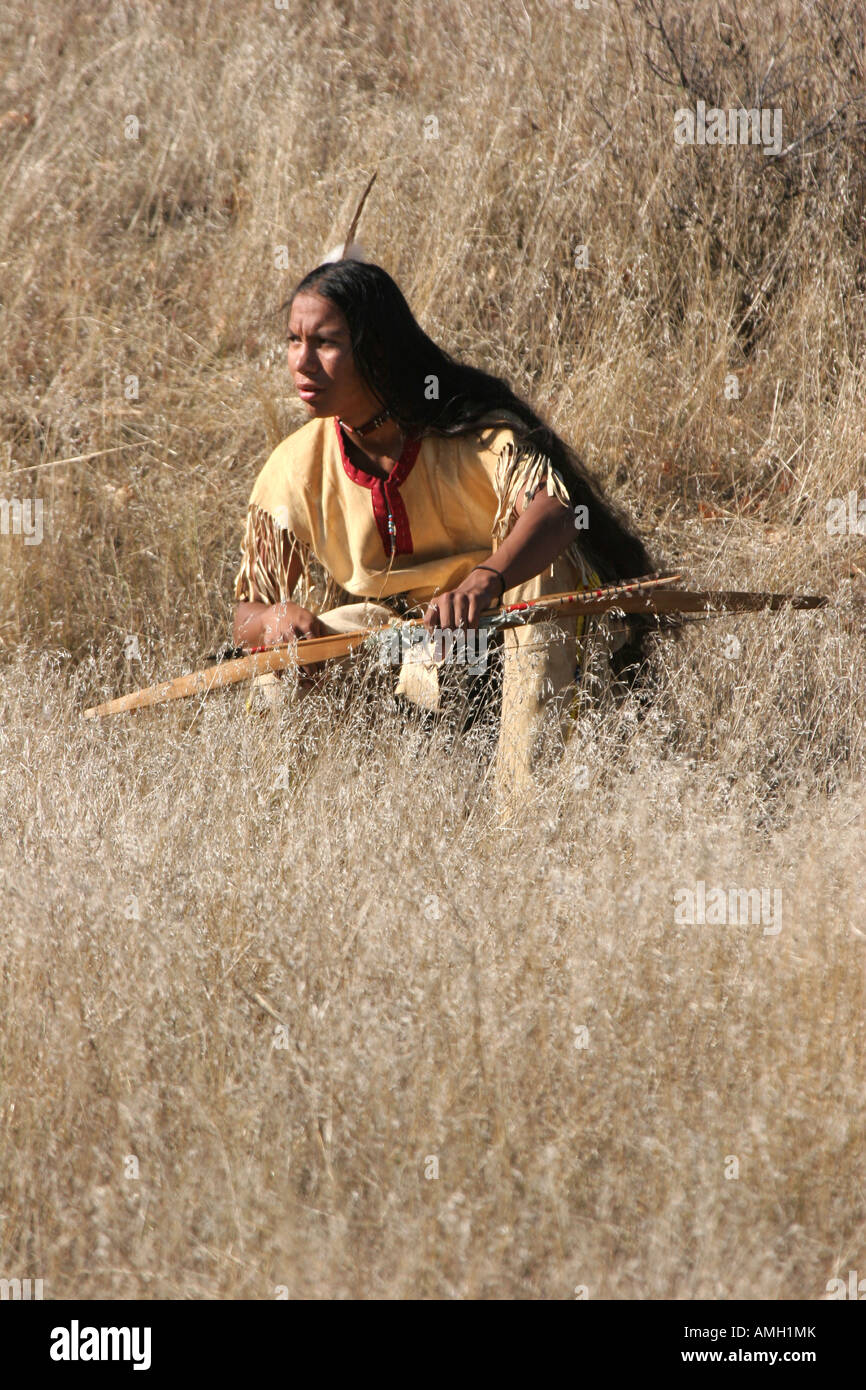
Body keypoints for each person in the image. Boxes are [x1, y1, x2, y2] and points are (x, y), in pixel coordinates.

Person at [233, 259, 655, 792]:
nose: (302, 362)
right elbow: (244, 614)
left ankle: (522, 820)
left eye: (326, 342)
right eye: (294, 340)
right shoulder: (293, 467)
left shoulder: (465, 427)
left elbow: (562, 511)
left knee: (542, 576)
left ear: (377, 349)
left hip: (505, 614)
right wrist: (275, 621)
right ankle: (284, 838)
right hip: (401, 633)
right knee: (283, 662)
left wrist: (488, 578)